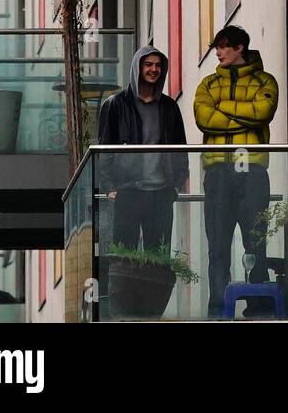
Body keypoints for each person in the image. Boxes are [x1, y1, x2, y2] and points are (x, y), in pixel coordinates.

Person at [193, 25, 278, 318]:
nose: (217, 52)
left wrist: (223, 110)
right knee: (218, 245)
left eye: (223, 46)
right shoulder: (206, 84)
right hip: (217, 171)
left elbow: (264, 111)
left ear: (240, 48)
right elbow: (203, 118)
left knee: (255, 240)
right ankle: (218, 309)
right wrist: (244, 114)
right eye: (217, 47)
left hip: (252, 170)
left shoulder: (266, 80)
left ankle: (259, 307)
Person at [97, 45, 188, 252]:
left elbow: (180, 148)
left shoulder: (169, 107)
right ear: (137, 67)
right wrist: (110, 186)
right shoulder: (116, 104)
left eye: (158, 65)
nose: (153, 69)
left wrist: (176, 183)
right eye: (148, 64)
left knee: (158, 257)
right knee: (123, 256)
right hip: (127, 190)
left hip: (162, 191)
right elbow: (105, 148)